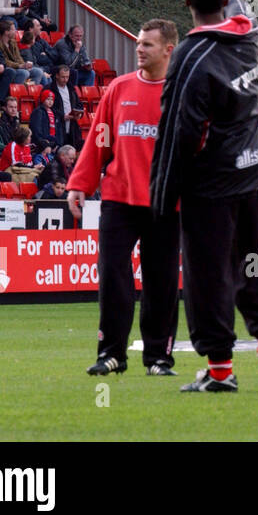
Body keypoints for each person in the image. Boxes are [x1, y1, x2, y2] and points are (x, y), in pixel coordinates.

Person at [150, 0, 258, 393]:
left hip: (211, 182)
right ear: (226, 0)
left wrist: (161, 198)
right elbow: (241, 5)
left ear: (186, 3)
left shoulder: (193, 56)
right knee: (249, 263)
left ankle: (221, 371)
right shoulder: (249, 36)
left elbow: (178, 131)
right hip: (251, 171)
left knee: (208, 277)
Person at [68, 19, 181, 377]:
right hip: (119, 199)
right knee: (113, 275)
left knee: (161, 282)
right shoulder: (119, 89)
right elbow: (98, 142)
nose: (139, 49)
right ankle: (111, 353)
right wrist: (80, 184)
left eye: (148, 44)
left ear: (168, 50)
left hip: (165, 203)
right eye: (138, 42)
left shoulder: (182, 94)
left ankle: (158, 358)